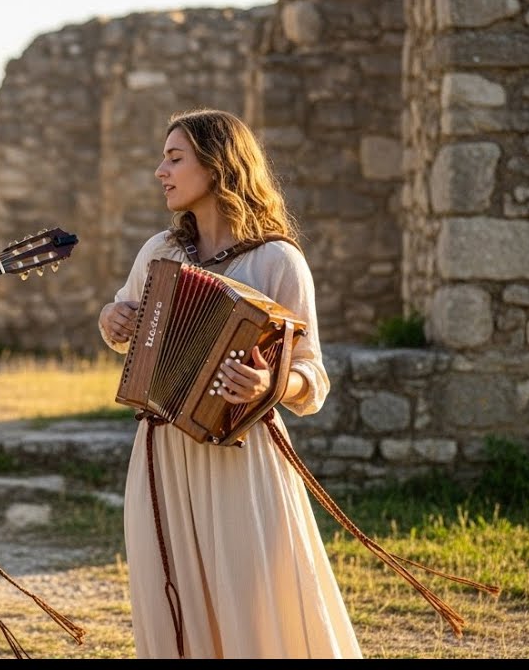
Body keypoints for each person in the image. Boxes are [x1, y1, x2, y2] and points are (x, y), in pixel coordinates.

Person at [97, 108, 362, 659]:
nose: (159, 171)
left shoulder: (277, 261)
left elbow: (313, 376)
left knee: (253, 602)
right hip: (162, 453)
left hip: (241, 457)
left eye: (175, 158)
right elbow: (122, 322)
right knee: (170, 596)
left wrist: (272, 382)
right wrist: (111, 320)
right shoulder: (159, 253)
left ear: (217, 167)